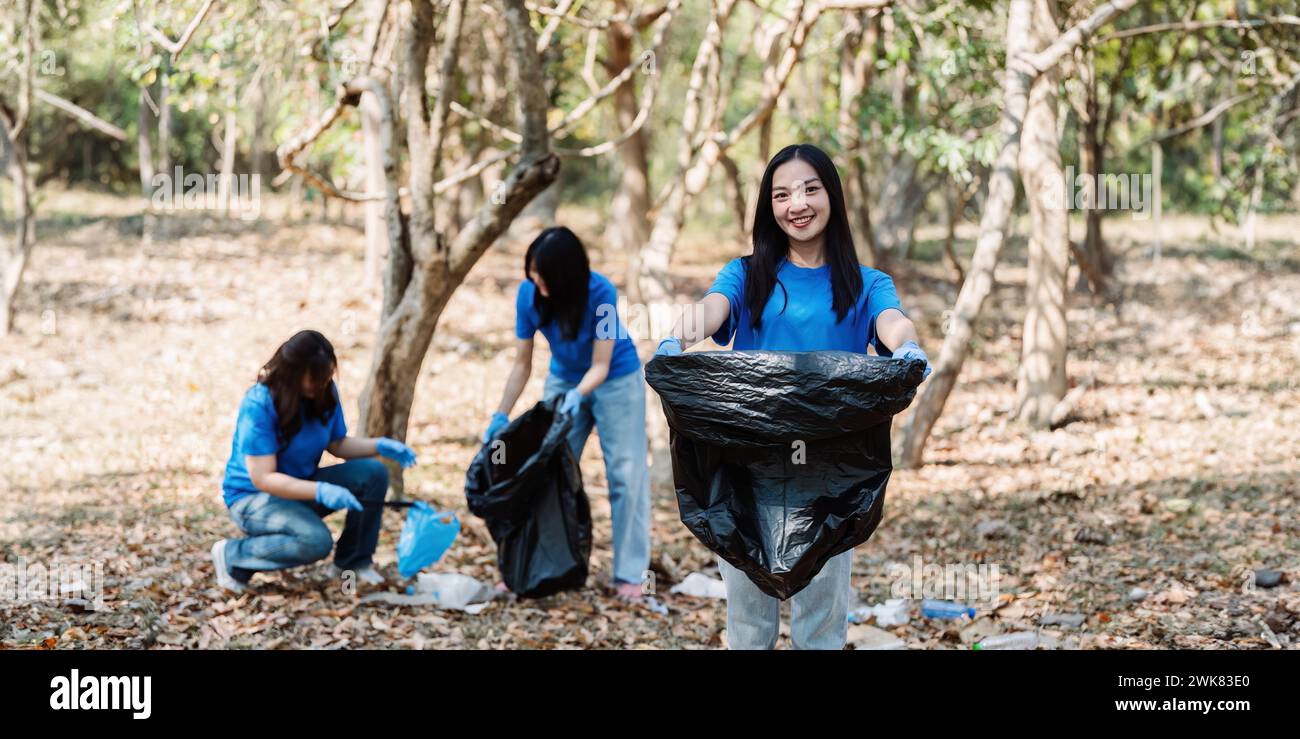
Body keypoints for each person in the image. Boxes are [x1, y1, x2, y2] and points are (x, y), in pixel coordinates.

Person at [655, 143, 932, 649]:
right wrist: (678, 338)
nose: (796, 204)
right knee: (749, 623)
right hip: (747, 469)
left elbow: (891, 320)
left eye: (810, 189)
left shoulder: (865, 283)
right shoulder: (746, 275)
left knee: (821, 624)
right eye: (781, 195)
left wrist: (907, 346)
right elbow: (714, 308)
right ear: (769, 207)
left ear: (832, 196)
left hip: (828, 476)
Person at [485, 226, 651, 601]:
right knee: (543, 470)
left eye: (543, 275)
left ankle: (629, 575)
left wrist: (578, 395)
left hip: (616, 379)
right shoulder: (529, 294)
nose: (536, 281)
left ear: (566, 274)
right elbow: (521, 364)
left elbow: (602, 365)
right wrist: (500, 415)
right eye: (533, 273)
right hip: (563, 378)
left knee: (626, 475)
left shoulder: (603, 293)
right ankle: (531, 568)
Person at [211, 330, 417, 592]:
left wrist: (380, 445)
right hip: (253, 499)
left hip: (299, 486)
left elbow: (337, 444)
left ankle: (351, 566)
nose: (322, 383)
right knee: (316, 541)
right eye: (315, 378)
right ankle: (232, 555)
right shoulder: (259, 403)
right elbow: (263, 478)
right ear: (293, 371)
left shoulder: (324, 391)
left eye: (327, 376)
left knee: (373, 473)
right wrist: (320, 490)